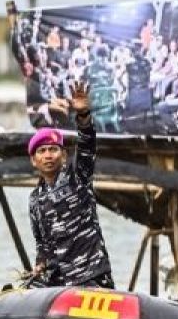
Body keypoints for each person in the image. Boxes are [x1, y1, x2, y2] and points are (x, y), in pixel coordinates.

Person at [27, 81, 114, 289]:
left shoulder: (78, 178)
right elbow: (42, 244)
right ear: (34, 160)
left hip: (90, 275)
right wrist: (40, 265)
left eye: (53, 149)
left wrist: (83, 115)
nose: (48, 155)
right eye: (42, 151)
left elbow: (87, 145)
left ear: (64, 155)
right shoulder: (35, 199)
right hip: (57, 283)